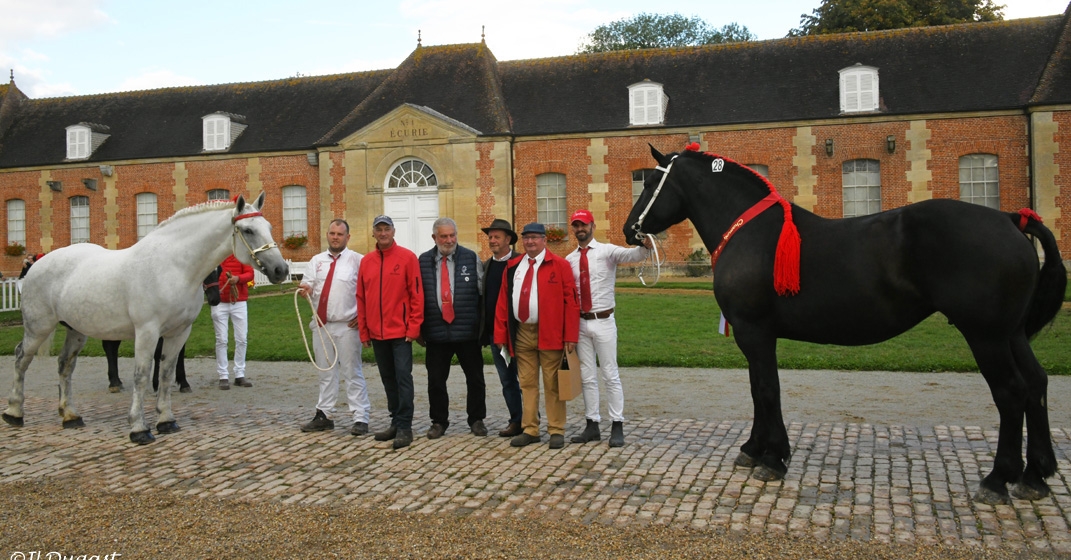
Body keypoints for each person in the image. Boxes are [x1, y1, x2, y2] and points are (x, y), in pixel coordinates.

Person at [565, 209, 651, 447]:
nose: (580, 229)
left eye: (583, 224)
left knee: (610, 374)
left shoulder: (607, 251)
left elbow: (633, 256)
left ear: (592, 226)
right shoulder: (570, 260)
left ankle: (617, 424)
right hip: (581, 322)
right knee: (587, 376)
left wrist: (644, 244)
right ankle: (592, 423)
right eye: (576, 225)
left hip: (603, 320)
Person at [494, 222, 580, 449]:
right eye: (527, 238)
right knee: (527, 383)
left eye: (535, 237)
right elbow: (503, 303)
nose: (530, 242)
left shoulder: (559, 265)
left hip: (550, 332)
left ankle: (556, 429)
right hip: (522, 333)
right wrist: (500, 334)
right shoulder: (513, 266)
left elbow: (571, 302)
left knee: (553, 384)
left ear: (544, 240)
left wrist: (570, 334)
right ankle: (530, 428)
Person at [297, 219, 372, 436]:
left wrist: (362, 315)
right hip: (322, 324)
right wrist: (306, 290)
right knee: (325, 371)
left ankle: (360, 416)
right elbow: (309, 283)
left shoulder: (358, 261)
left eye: (340, 234)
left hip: (347, 325)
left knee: (352, 370)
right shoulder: (316, 260)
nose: (335, 237)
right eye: (332, 233)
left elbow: (368, 291)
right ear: (327, 235)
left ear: (347, 237)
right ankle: (324, 414)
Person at [357, 215, 424, 449]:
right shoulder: (366, 262)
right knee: (388, 379)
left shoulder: (407, 258)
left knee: (403, 377)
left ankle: (405, 426)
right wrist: (364, 331)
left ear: (394, 232)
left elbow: (416, 294)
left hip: (401, 332)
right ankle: (395, 420)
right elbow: (361, 298)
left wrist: (414, 326)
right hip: (377, 332)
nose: (383, 233)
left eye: (387, 229)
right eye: (379, 229)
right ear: (373, 233)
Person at [418, 217, 487, 439]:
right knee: (436, 380)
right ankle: (438, 421)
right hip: (436, 331)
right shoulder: (422, 261)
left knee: (475, 378)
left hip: (467, 330)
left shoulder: (470, 257)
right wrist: (419, 328)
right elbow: (416, 297)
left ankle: (476, 419)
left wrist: (481, 327)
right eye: (444, 236)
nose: (449, 240)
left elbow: (481, 293)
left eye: (452, 235)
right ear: (434, 238)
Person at [479, 218, 523, 437]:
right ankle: (516, 419)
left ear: (508, 239)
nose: (492, 240)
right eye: (490, 237)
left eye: (497, 237)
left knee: (526, 379)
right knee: (507, 380)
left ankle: (530, 419)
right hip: (496, 334)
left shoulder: (521, 263)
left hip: (519, 332)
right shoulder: (486, 266)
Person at [213, 254, 254, 390]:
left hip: (239, 301)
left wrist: (238, 278)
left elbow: (250, 273)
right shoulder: (216, 256)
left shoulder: (241, 257)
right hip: (219, 301)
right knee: (221, 340)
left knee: (242, 338)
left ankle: (239, 373)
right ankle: (223, 375)